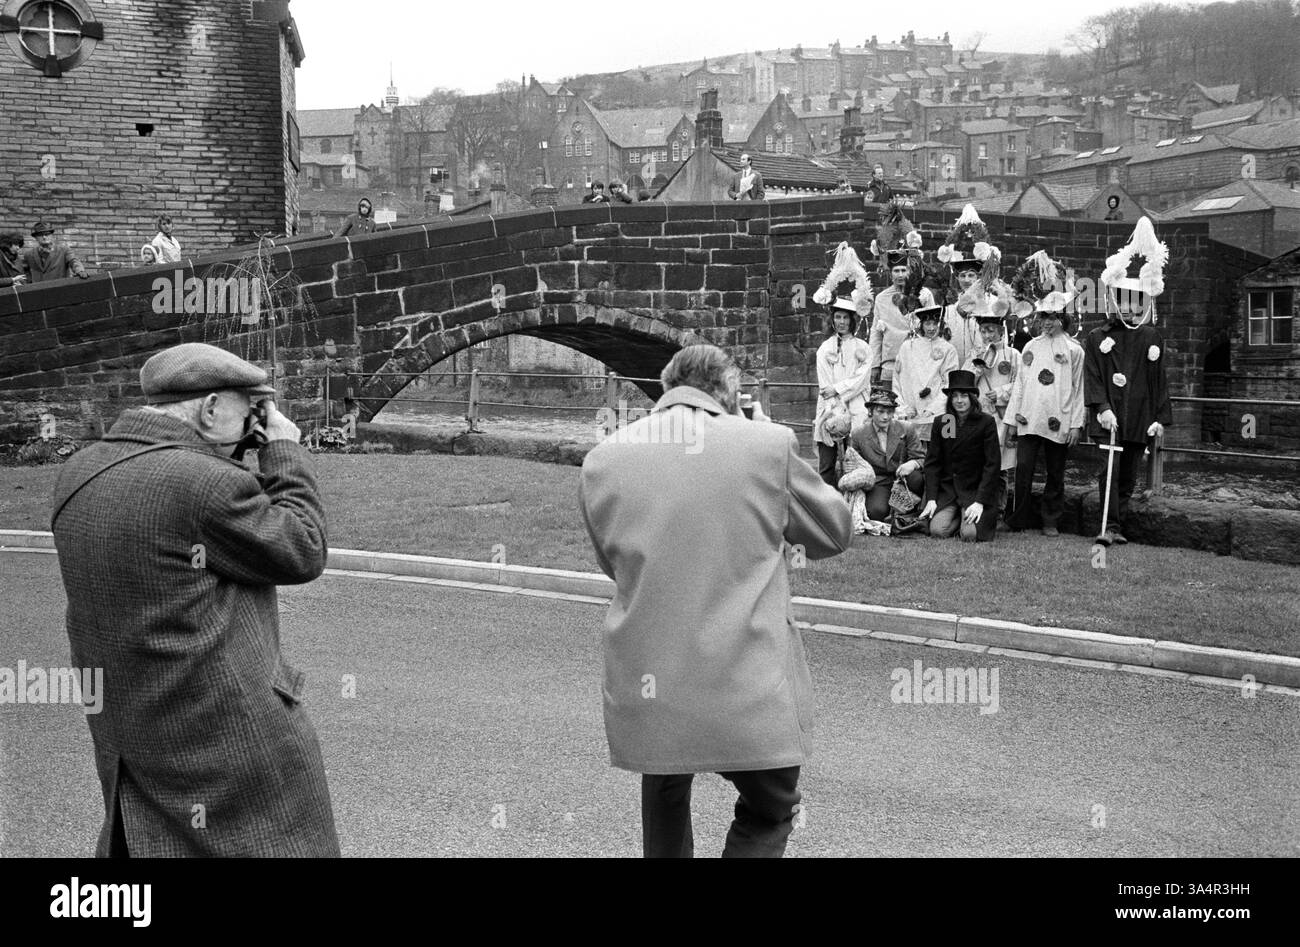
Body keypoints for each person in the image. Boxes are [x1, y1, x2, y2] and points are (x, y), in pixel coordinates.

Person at [50, 343, 338, 856]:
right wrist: (284, 451)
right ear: (209, 409)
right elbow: (302, 548)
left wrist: (232, 448)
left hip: (133, 735)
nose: (256, 423)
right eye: (248, 408)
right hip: (227, 741)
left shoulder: (80, 469)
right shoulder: (205, 483)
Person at [579, 343, 851, 858]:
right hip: (748, 685)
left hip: (652, 681)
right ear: (729, 393)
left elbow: (612, 564)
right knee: (770, 809)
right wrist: (758, 432)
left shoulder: (603, 460)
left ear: (666, 390)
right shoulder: (765, 444)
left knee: (664, 790)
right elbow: (834, 533)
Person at [1087, 216, 1173, 546]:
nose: (1129, 309)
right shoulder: (1097, 337)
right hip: (1110, 416)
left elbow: (1159, 380)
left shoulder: (1152, 336)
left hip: (1138, 416)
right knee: (1109, 470)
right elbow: (1093, 376)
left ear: (1142, 305)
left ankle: (1118, 525)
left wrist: (1158, 418)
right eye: (1123, 301)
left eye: (1135, 303)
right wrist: (1102, 407)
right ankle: (1107, 527)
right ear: (1115, 302)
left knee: (1128, 474)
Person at [1004, 293, 1086, 536]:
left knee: (1055, 470)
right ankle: (1018, 517)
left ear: (1062, 318)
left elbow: (1080, 388)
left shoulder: (1074, 350)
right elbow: (1019, 384)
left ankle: (1050, 519)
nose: (1047, 322)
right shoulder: (1030, 346)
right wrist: (1011, 420)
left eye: (1052, 317)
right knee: (1023, 468)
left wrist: (1076, 424)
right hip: (1029, 416)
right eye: (1043, 317)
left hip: (1059, 416)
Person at [921, 369, 1003, 542]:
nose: (959, 401)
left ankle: (967, 517)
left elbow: (992, 465)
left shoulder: (985, 422)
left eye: (964, 395)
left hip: (974, 491)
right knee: (937, 531)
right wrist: (932, 499)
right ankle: (958, 516)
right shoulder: (945, 422)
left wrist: (980, 501)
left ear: (972, 398)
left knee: (969, 535)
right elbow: (934, 462)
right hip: (949, 491)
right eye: (955, 396)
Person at [965, 297, 1022, 521]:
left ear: (1000, 331)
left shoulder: (1013, 355)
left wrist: (1000, 393)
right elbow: (964, 384)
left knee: (1001, 466)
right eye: (984, 331)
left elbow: (1020, 384)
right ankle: (980, 505)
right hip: (980, 416)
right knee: (981, 462)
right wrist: (975, 375)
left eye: (992, 331)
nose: (988, 336)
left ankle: (998, 510)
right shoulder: (975, 355)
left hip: (1002, 416)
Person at [814, 297, 873, 487]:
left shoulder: (863, 347)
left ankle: (854, 502)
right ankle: (825, 503)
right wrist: (835, 409)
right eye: (838, 317)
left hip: (856, 403)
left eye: (846, 318)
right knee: (827, 461)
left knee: (855, 457)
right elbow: (825, 385)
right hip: (830, 406)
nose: (841, 322)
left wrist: (838, 389)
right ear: (832, 319)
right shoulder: (824, 349)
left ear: (852, 320)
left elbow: (861, 379)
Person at [849, 388, 925, 523]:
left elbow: (922, 458)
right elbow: (853, 465)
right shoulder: (858, 434)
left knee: (917, 478)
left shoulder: (907, 428)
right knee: (875, 512)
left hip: (905, 480)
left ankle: (913, 508)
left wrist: (912, 463)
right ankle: (895, 511)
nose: (885, 416)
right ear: (870, 411)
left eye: (889, 412)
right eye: (880, 411)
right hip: (879, 482)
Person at [893, 305, 958, 452]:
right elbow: (897, 379)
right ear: (921, 324)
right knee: (913, 453)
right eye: (928, 323)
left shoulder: (948, 349)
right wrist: (903, 407)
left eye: (935, 323)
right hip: (912, 411)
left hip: (937, 411)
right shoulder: (907, 347)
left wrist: (933, 409)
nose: (931, 328)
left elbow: (950, 383)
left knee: (940, 453)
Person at [869, 249, 934, 387]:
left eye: (904, 270)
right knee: (890, 405)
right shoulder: (881, 298)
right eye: (896, 271)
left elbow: (934, 328)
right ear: (890, 273)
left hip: (918, 360)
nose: (900, 275)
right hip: (891, 362)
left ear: (910, 271)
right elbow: (876, 333)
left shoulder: (924, 295)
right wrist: (875, 364)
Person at [21, 221, 89, 282]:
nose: (44, 237)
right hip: (38, 292)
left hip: (60, 290)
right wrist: (29, 283)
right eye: (40, 235)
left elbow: (73, 261)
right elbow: (25, 271)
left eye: (47, 234)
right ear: (35, 237)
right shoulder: (29, 255)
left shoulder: (64, 250)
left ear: (52, 235)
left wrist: (80, 271)